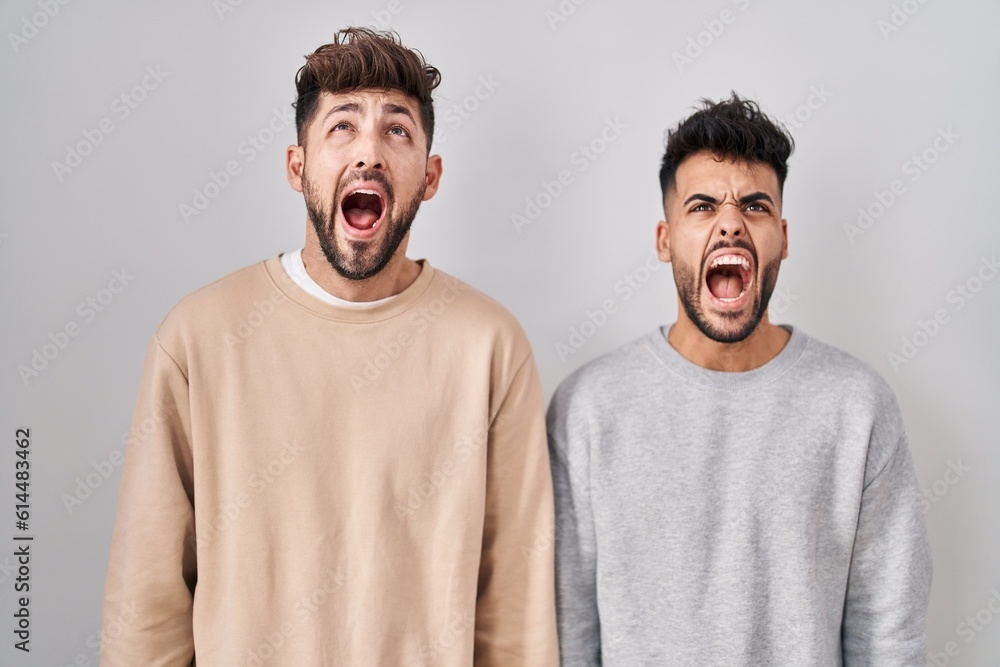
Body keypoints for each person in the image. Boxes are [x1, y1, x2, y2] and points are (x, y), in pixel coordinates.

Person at [101, 27, 557, 666]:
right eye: (342, 126)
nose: (369, 151)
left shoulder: (491, 348)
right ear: (298, 166)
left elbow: (515, 612)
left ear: (429, 177)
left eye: (397, 130)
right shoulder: (198, 338)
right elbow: (145, 607)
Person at [547, 93, 932, 666]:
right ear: (664, 239)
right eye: (702, 206)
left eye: (753, 207)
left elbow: (889, 637)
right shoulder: (588, 409)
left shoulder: (857, 407)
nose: (729, 223)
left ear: (781, 236)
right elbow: (568, 634)